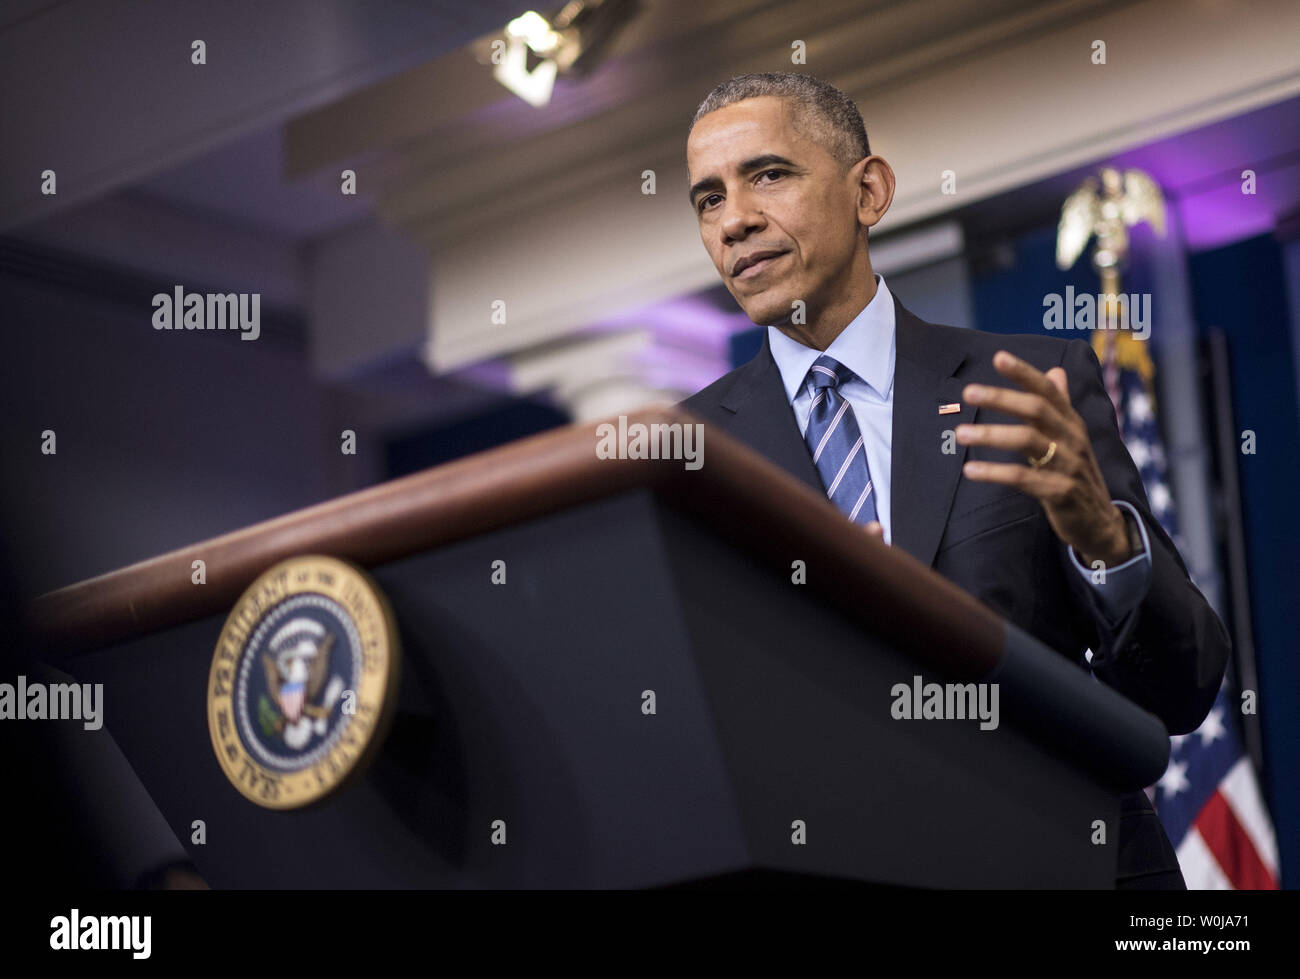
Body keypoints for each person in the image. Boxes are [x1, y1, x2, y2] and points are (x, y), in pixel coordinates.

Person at [679, 71, 1230, 889]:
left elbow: (1179, 692)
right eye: (707, 199)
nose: (735, 221)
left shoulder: (1032, 383)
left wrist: (1105, 542)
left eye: (768, 175)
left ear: (870, 190)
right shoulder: (687, 455)